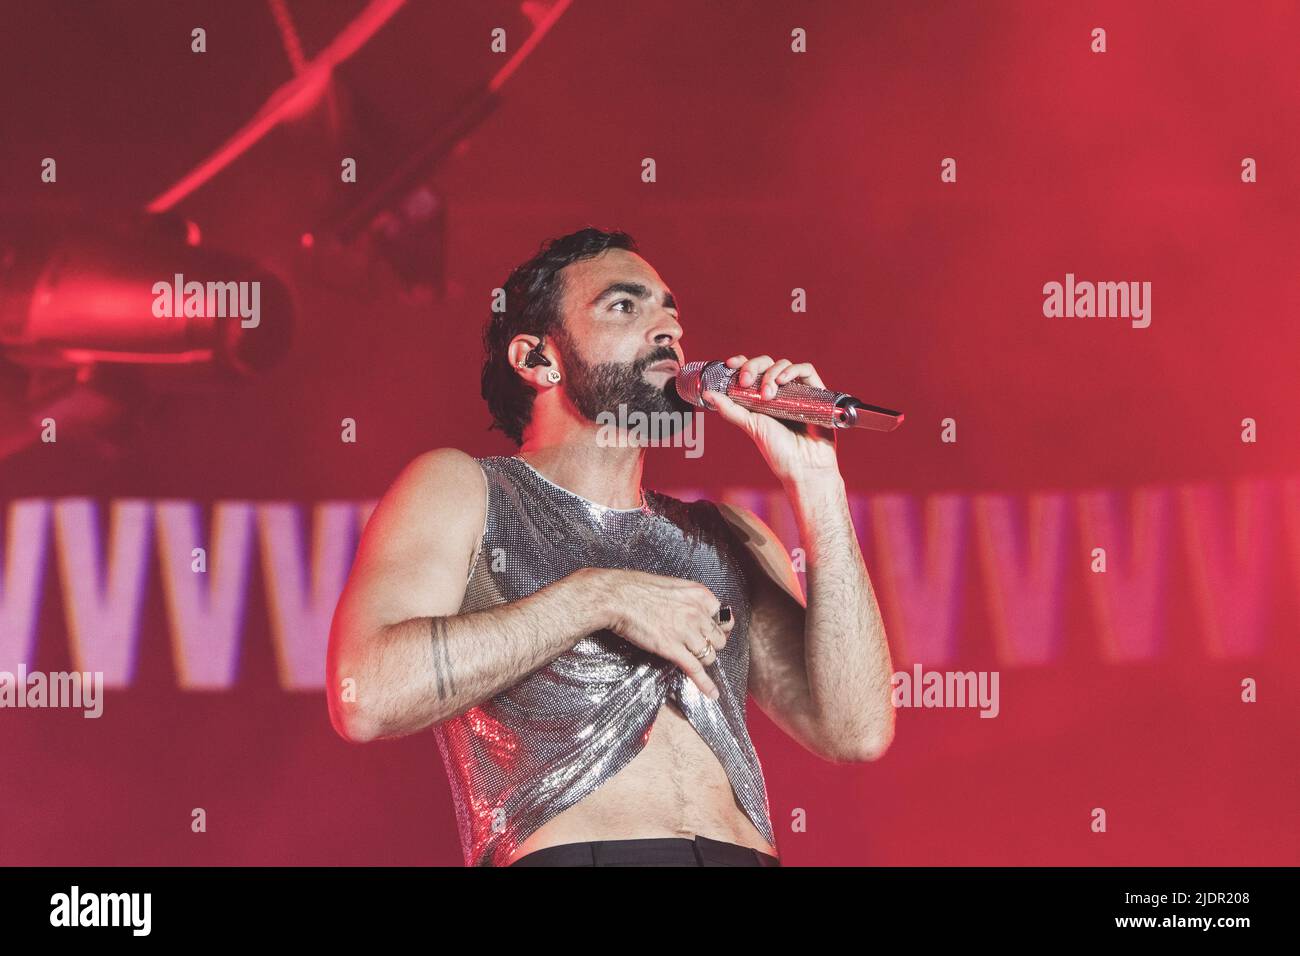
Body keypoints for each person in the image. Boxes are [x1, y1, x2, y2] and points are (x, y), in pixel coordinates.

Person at [326, 227, 895, 866]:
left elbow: (857, 731)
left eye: (670, 312)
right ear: (538, 359)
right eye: (625, 306)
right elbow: (365, 698)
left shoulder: (724, 533)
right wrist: (601, 596)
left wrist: (818, 484)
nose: (667, 331)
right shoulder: (466, 487)